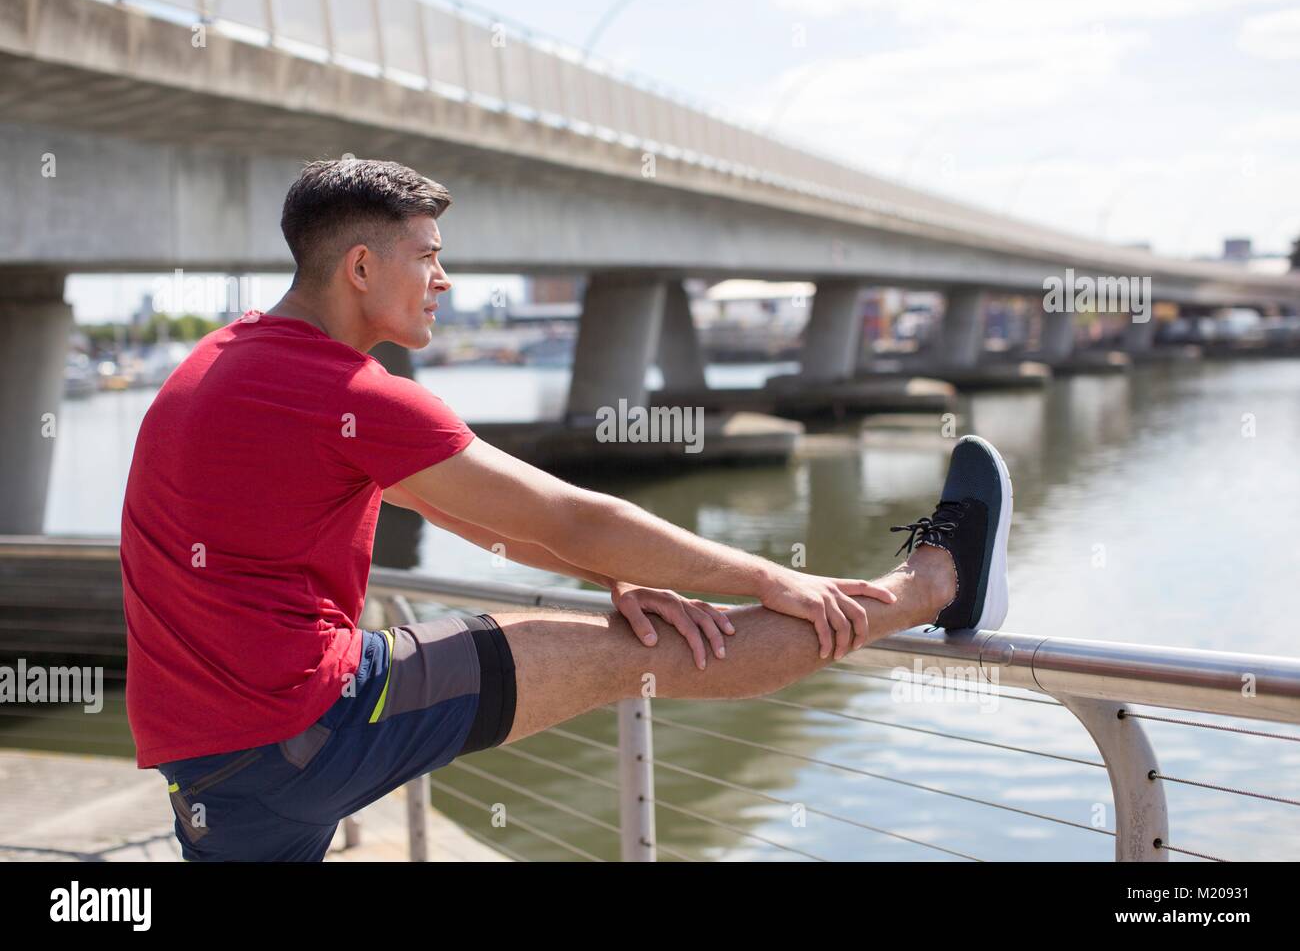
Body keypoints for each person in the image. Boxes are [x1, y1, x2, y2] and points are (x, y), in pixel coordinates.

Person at [120, 158, 1013, 862]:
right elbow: (566, 514)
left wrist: (614, 572)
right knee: (646, 654)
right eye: (427, 256)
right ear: (361, 265)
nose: (445, 278)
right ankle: (937, 584)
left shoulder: (222, 362)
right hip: (306, 722)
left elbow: (481, 515)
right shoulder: (349, 391)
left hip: (208, 770)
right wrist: (769, 574)